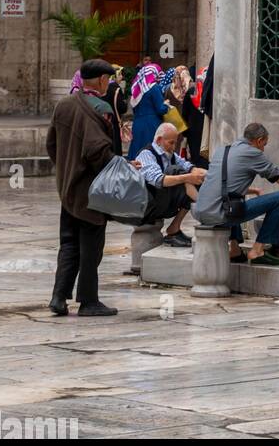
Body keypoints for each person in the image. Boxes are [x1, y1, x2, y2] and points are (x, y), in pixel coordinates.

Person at [46, 58, 119, 317]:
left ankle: (58, 297)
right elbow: (97, 151)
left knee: (68, 243)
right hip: (91, 192)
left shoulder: (64, 105)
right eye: (108, 80)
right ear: (101, 80)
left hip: (68, 189)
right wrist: (122, 167)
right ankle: (89, 301)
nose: (108, 84)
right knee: (90, 248)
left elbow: (51, 145)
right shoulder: (100, 108)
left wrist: (66, 169)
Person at [193, 122, 279, 266]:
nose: (263, 148)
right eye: (264, 144)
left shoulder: (223, 150)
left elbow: (223, 185)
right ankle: (257, 251)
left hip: (201, 211)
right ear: (259, 141)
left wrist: (253, 190)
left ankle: (234, 249)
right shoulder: (253, 153)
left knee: (234, 200)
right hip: (219, 214)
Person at [134, 123, 207, 246]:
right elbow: (159, 180)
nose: (173, 147)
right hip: (148, 207)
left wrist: (210, 175)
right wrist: (188, 177)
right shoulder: (146, 154)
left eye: (175, 143)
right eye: (171, 143)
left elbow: (190, 168)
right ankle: (205, 207)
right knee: (176, 172)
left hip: (164, 203)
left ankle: (174, 228)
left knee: (194, 178)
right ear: (158, 140)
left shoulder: (171, 155)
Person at [128, 61, 168, 160]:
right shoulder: (154, 87)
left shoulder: (137, 90)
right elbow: (161, 109)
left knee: (137, 153)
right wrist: (166, 104)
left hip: (137, 124)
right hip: (151, 125)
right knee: (150, 154)